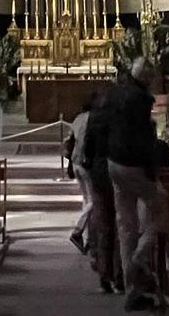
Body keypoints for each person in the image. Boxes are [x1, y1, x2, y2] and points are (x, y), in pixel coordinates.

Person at [104, 57, 168, 311]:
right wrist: (152, 168)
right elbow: (143, 137)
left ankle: (133, 290)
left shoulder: (116, 91)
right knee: (162, 210)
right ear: (147, 79)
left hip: (113, 161)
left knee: (126, 225)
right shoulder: (141, 99)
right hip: (133, 163)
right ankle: (141, 257)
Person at [79, 87, 119, 292]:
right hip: (117, 170)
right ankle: (120, 275)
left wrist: (89, 165)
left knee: (104, 224)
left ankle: (104, 273)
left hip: (99, 173)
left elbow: (87, 148)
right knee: (120, 223)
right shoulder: (118, 117)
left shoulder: (94, 119)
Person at [68, 91, 99, 253]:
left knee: (86, 200)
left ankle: (89, 239)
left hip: (75, 161)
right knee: (93, 201)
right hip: (87, 162)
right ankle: (78, 231)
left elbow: (71, 139)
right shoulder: (93, 119)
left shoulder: (78, 118)